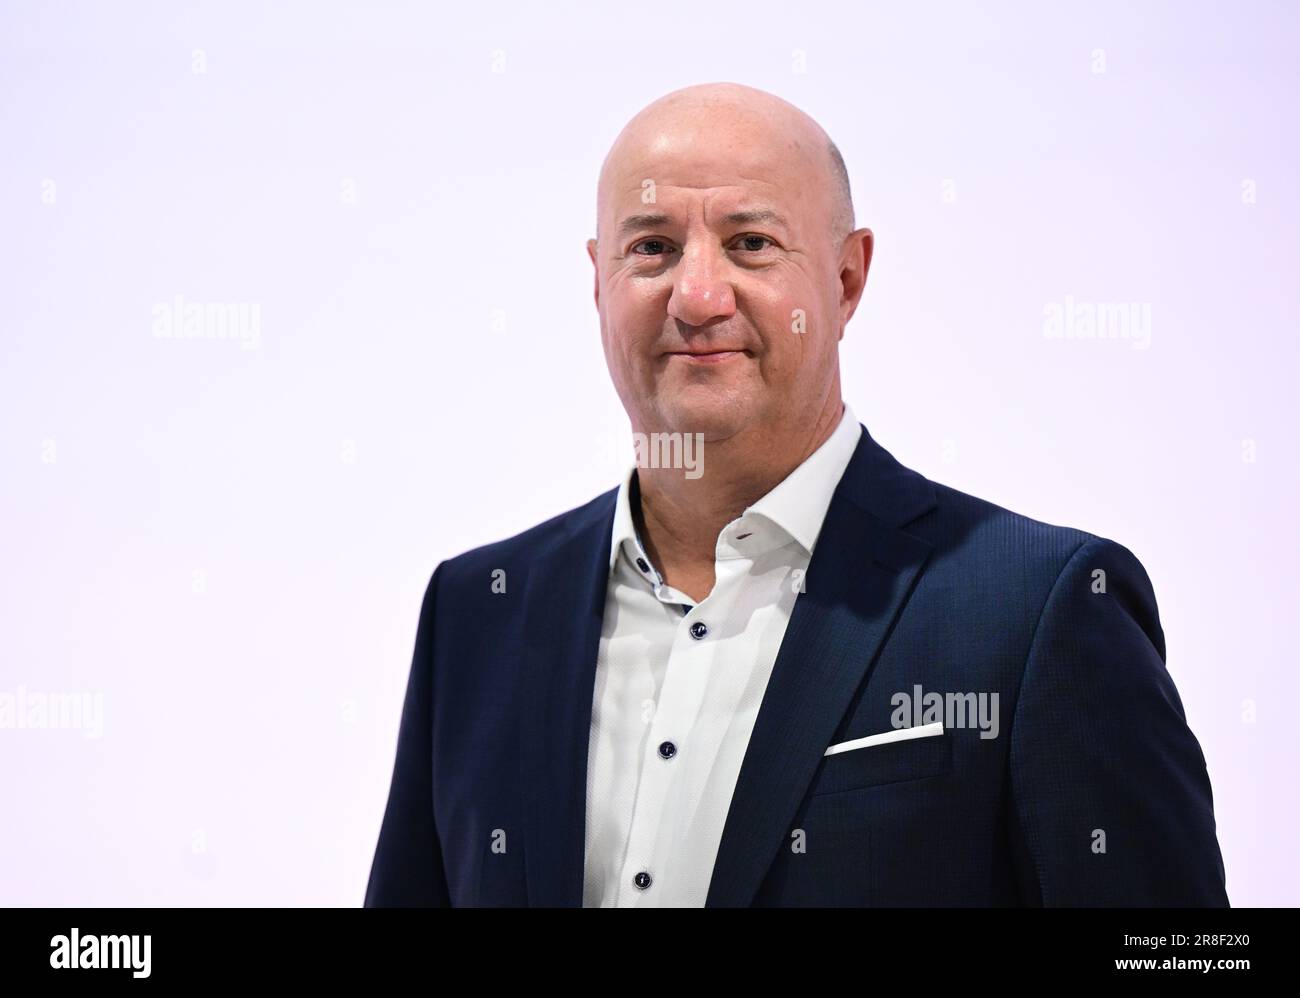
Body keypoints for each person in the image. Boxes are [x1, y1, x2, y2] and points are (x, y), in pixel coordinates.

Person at [364, 82, 1228, 907]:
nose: (698, 298)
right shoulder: (478, 612)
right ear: (599, 281)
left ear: (847, 280)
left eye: (751, 244)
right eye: (652, 247)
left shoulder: (1039, 610)